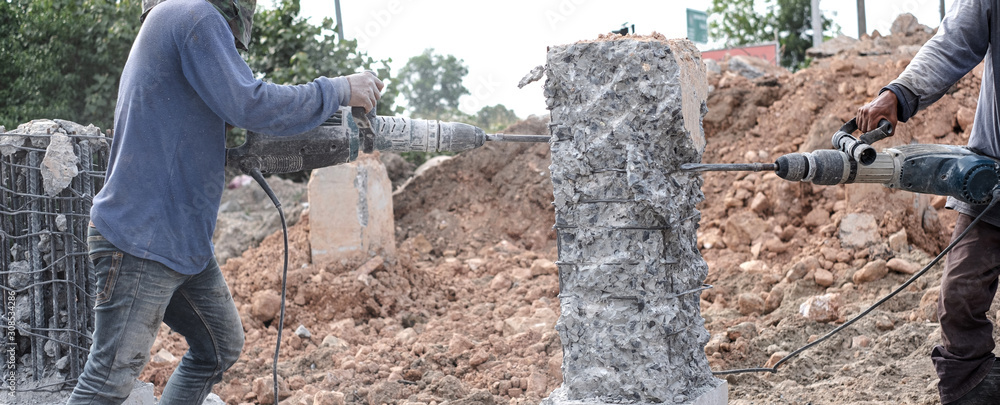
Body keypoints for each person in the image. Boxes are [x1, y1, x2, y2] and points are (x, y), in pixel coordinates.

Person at [67, 0, 383, 403]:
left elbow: (227, 110)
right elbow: (250, 103)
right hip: (142, 239)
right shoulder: (195, 15)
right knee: (108, 381)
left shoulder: (173, 20)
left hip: (179, 241)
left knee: (219, 346)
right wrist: (338, 88)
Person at [857, 1, 1000, 403]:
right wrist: (898, 94)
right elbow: (955, 40)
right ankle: (969, 392)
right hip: (993, 176)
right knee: (960, 297)